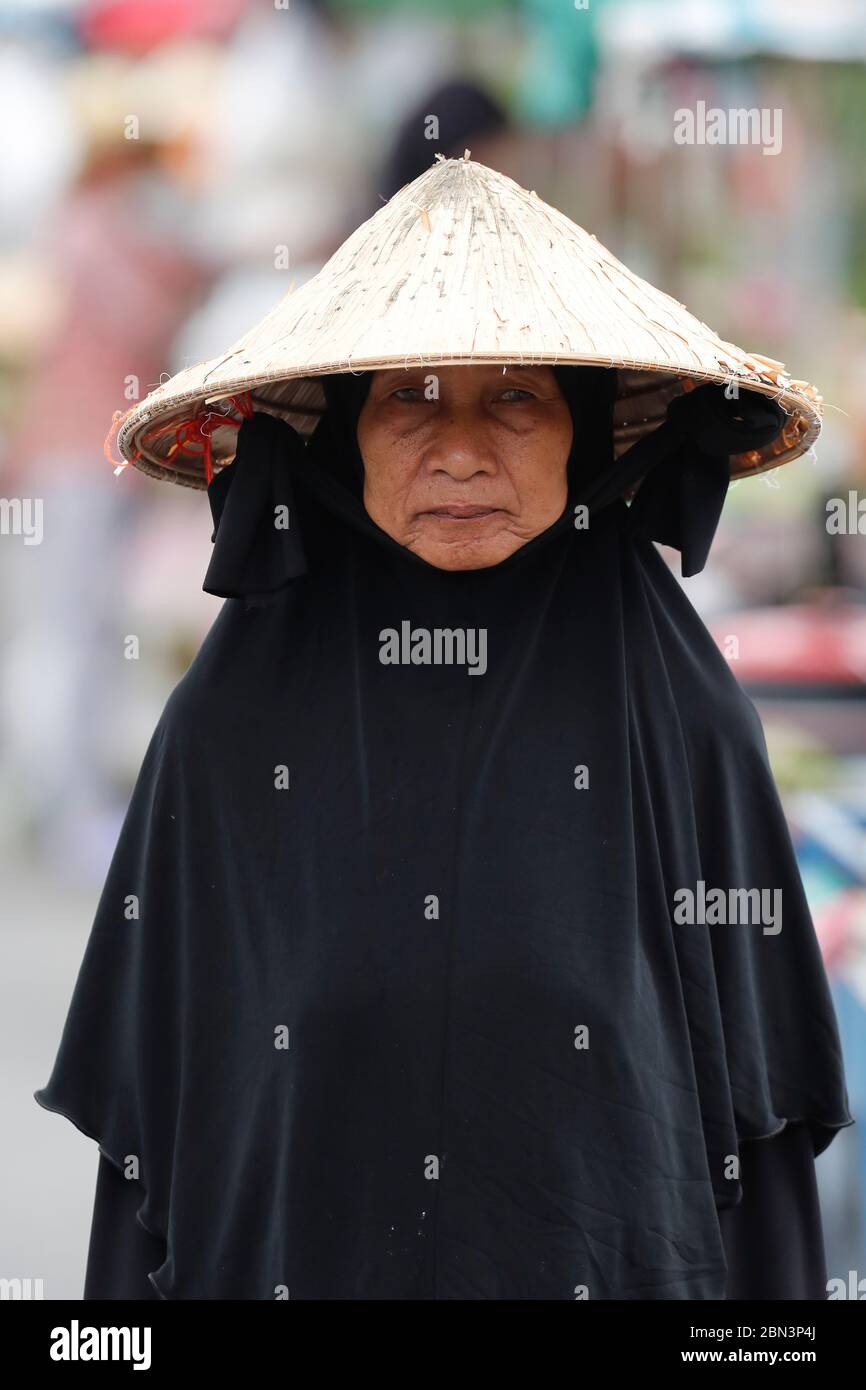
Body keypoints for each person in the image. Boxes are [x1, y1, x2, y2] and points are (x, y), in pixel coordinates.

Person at [35, 156, 853, 1300]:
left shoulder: (680, 714)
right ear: (338, 439)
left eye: (513, 398)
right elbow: (146, 1163)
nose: (459, 450)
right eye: (410, 395)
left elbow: (759, 1148)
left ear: (582, 434)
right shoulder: (228, 727)